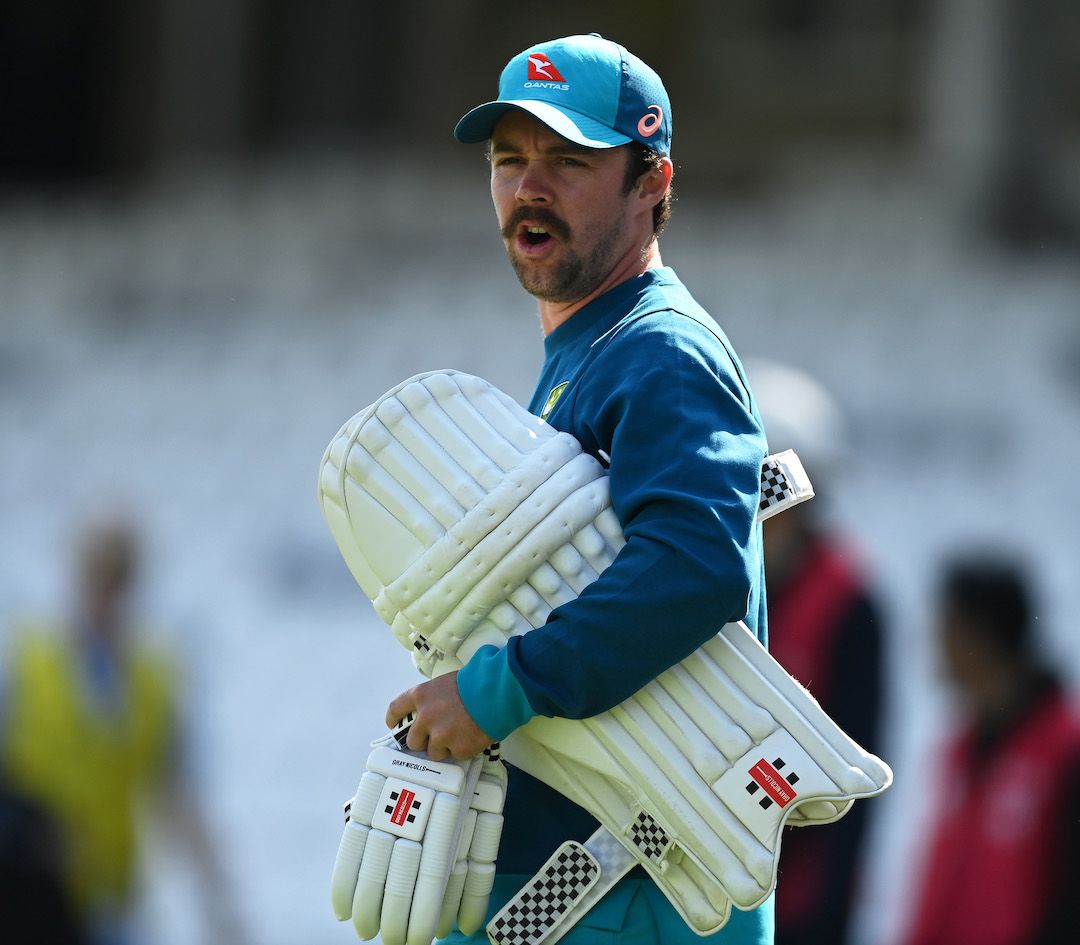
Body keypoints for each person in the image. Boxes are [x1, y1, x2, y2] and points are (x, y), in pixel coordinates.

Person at [382, 33, 774, 945]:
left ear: (653, 183)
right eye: (508, 158)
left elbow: (692, 568)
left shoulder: (659, 349)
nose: (529, 185)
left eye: (568, 159)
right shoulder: (594, 351)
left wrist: (499, 687)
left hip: (630, 885)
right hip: (579, 886)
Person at [0, 515, 243, 945]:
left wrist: (219, 907)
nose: (106, 596)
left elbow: (180, 798)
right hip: (20, 904)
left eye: (119, 578)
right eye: (98, 575)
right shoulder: (16, 662)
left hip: (105, 903)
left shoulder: (154, 679)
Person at [901, 554, 1080, 945]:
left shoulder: (1077, 750)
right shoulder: (958, 748)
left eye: (947, 627)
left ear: (982, 636)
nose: (934, 643)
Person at [747, 361, 886, 945]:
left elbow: (855, 775)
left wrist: (826, 915)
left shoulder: (847, 606)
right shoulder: (699, 594)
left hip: (798, 904)